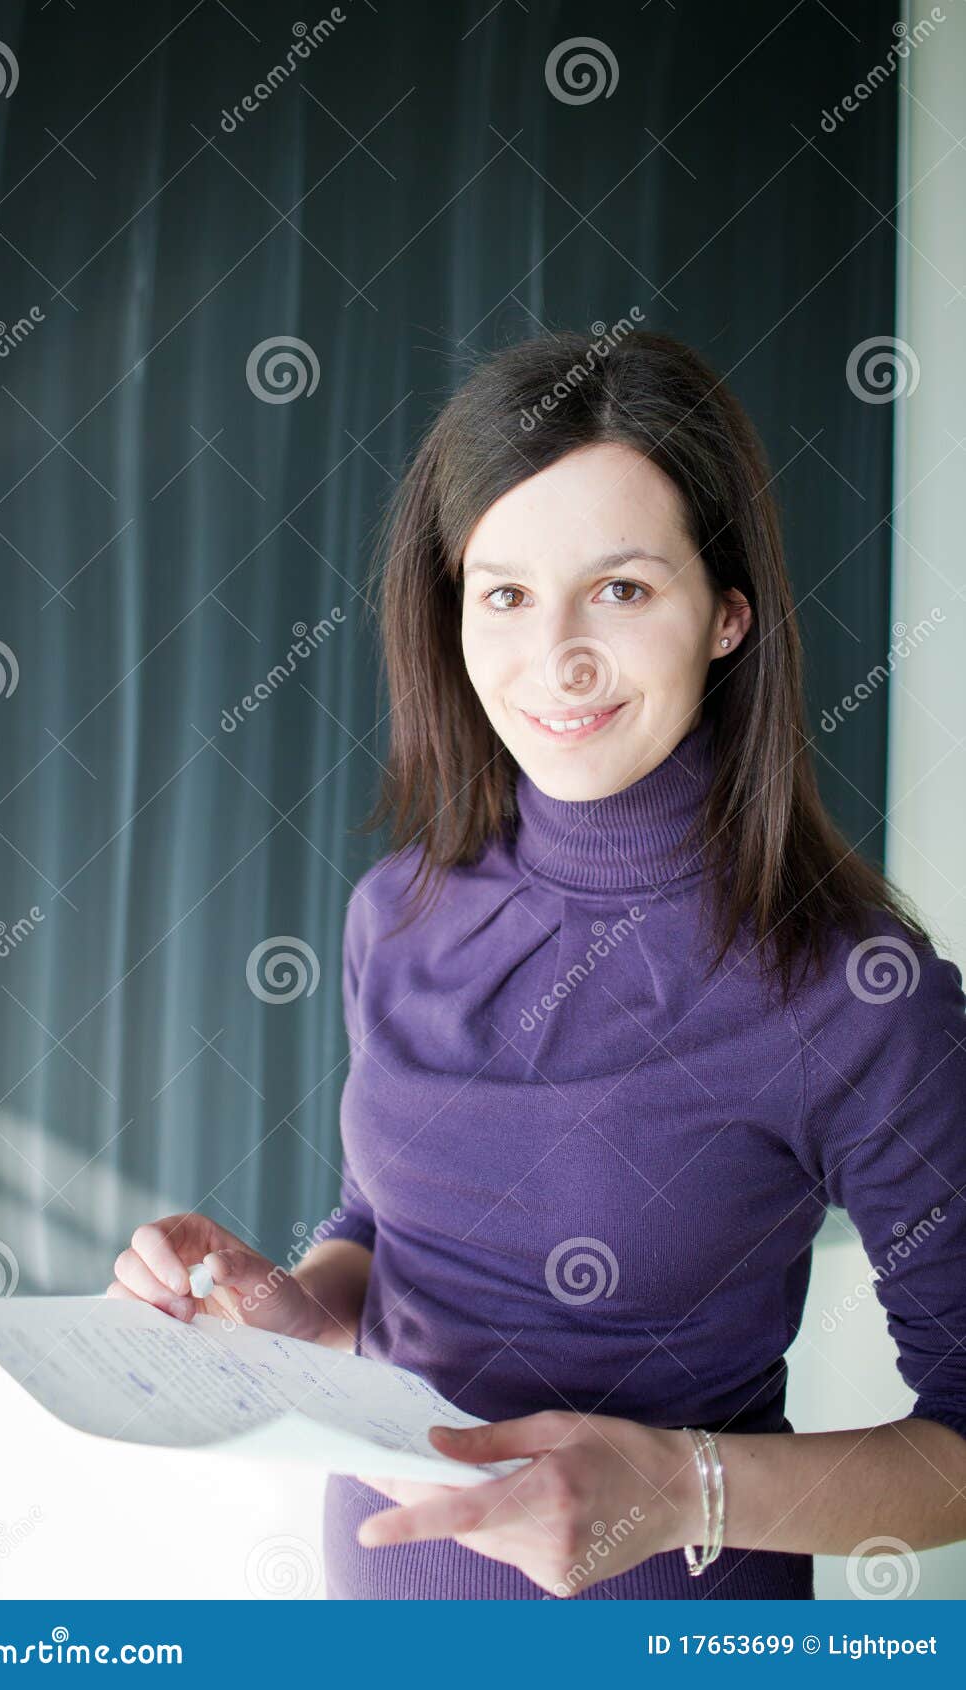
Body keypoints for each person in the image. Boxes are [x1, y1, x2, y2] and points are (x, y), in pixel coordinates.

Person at [108, 329, 966, 1600]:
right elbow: (384, 1235)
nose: (553, 658)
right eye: (503, 592)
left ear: (727, 613)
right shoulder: (396, 911)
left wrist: (678, 1486)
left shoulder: (857, 993)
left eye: (620, 589)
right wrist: (294, 1310)